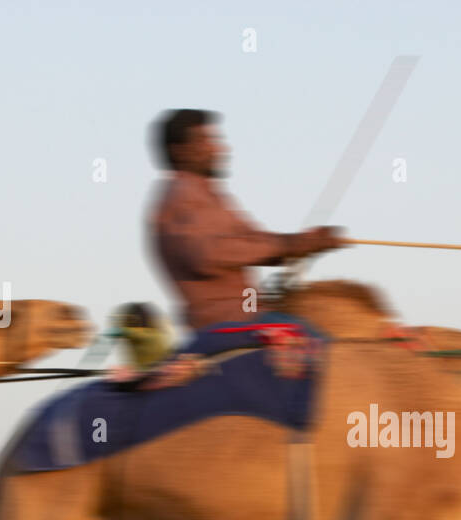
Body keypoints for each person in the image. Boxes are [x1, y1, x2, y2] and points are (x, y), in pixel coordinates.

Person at [145, 108, 345, 386]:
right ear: (180, 151)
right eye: (206, 141)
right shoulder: (182, 196)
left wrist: (305, 244)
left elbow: (254, 240)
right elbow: (206, 254)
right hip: (230, 326)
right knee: (337, 362)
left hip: (245, 319)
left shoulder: (206, 194)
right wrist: (292, 244)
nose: (220, 148)